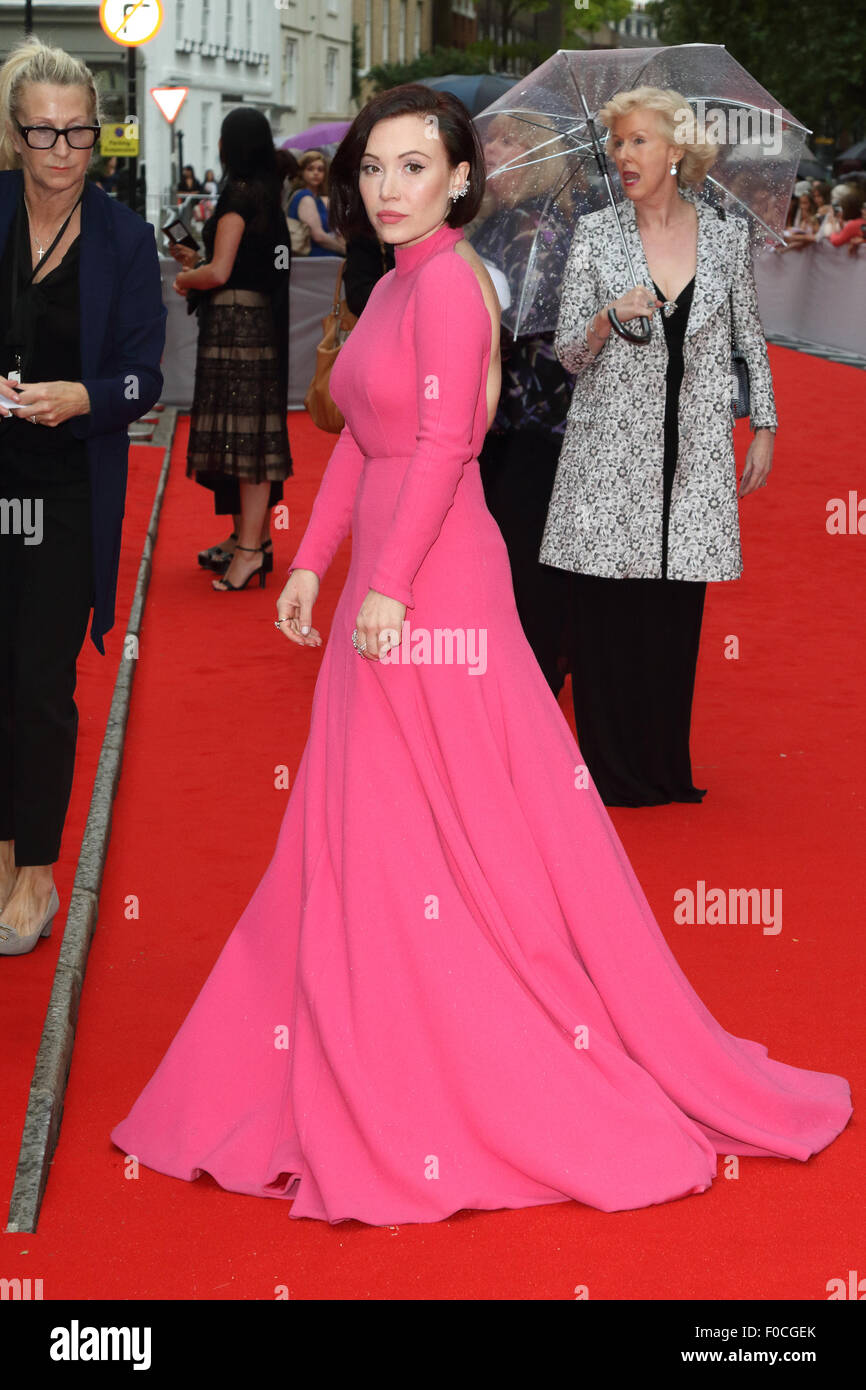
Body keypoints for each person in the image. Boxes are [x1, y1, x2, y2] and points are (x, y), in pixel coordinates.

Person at [110, 84, 850, 1226]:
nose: (386, 189)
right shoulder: (393, 284)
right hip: (388, 590)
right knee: (376, 829)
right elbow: (364, 436)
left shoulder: (452, 287)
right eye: (372, 169)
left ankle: (474, 1056)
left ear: (459, 181)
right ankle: (373, 1032)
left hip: (434, 589)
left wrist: (388, 587)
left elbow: (449, 445)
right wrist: (311, 561)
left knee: (455, 827)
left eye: (413, 169)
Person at [539, 86, 778, 808]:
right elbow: (566, 357)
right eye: (617, 144)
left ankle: (664, 766)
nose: (623, 156)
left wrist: (764, 421)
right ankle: (612, 773)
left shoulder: (726, 237)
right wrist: (607, 319)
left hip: (694, 454)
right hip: (608, 458)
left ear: (676, 150)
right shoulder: (596, 234)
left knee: (674, 616)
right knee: (610, 617)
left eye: (638, 141)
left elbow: (749, 337)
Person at [0, 36, 165, 954]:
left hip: (65, 493)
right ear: (16, 136)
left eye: (79, 135)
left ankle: (36, 873)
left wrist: (86, 399)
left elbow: (146, 377)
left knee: (39, 680)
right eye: (43, 134)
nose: (62, 153)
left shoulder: (122, 238)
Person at [469, 111, 577, 696]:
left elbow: (516, 323)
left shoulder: (540, 227)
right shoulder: (495, 223)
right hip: (507, 417)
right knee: (514, 549)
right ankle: (529, 669)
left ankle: (532, 676)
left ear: (541, 155)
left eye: (513, 140)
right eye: (493, 139)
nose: (496, 149)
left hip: (537, 418)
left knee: (525, 551)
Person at [170, 108, 292, 592]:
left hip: (236, 332)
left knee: (247, 444)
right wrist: (198, 264)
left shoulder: (238, 196)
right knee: (252, 441)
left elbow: (219, 273)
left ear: (229, 146)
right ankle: (252, 541)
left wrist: (186, 276)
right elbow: (238, 266)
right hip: (253, 325)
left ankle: (248, 551)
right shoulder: (265, 194)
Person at [286, 149, 345, 257]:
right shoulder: (305, 196)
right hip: (314, 259)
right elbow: (318, 236)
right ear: (301, 172)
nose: (316, 173)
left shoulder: (318, 198)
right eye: (310, 169)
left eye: (320, 169)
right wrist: (344, 250)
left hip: (326, 257)